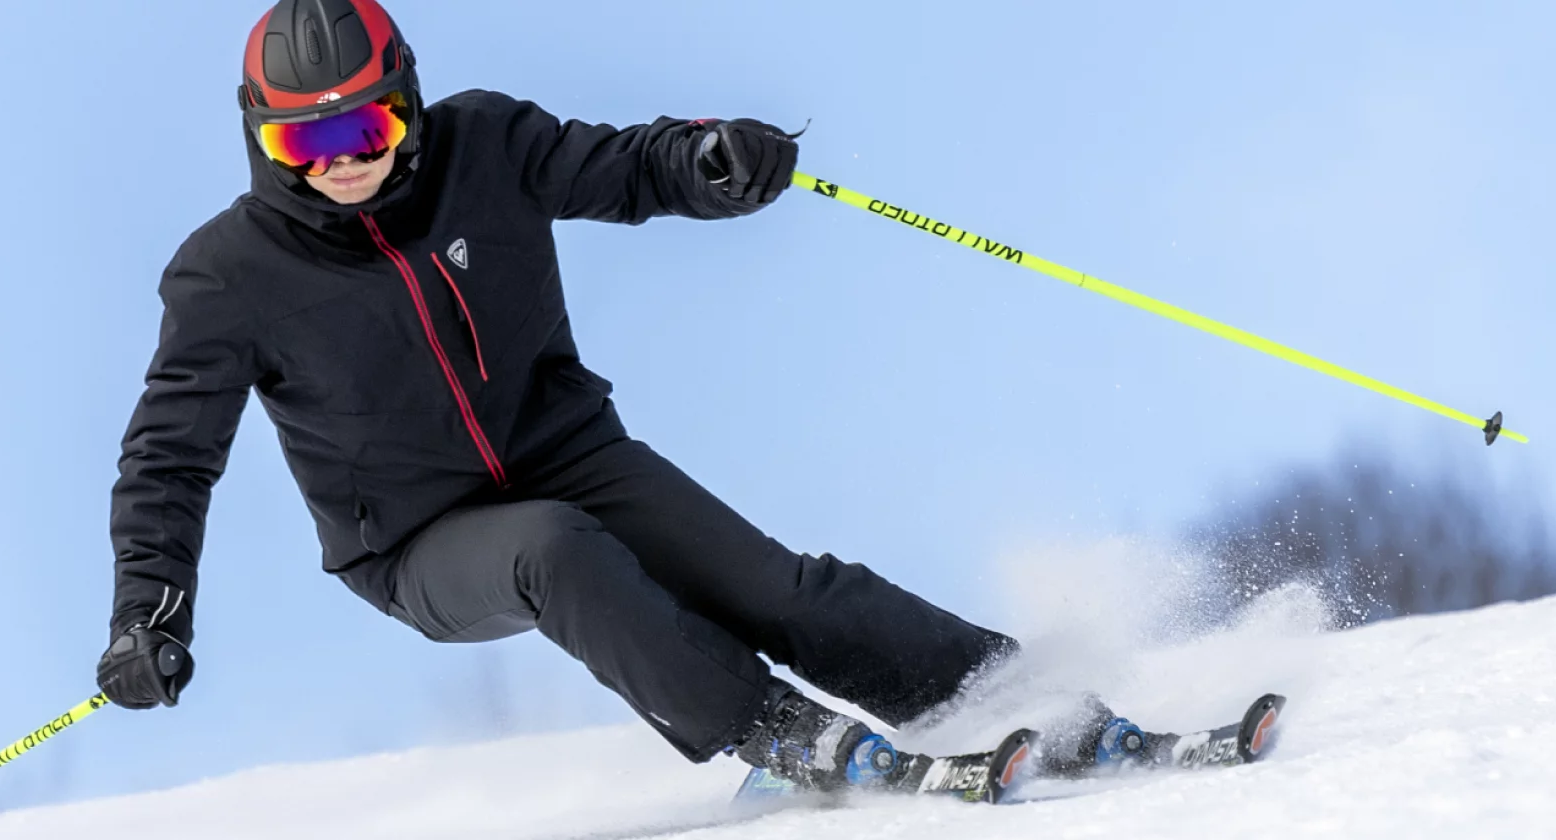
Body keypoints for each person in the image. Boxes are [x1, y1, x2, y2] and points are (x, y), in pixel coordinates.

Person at [93, 0, 1027, 792]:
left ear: (406, 104)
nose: (339, 162)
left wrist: (709, 161)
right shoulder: (230, 274)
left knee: (771, 585)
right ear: (260, 136)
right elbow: (170, 459)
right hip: (418, 543)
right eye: (303, 139)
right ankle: (787, 735)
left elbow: (625, 165)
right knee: (554, 551)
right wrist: (147, 613)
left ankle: (1002, 690)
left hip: (570, 454)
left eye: (364, 128)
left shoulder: (487, 145)